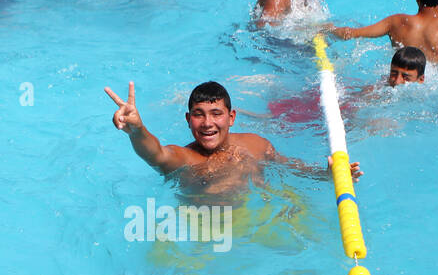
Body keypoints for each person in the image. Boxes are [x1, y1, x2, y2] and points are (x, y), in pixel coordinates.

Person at [106, 80, 361, 197]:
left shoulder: (256, 145)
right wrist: (137, 129)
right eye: (199, 115)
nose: (207, 123)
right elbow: (155, 153)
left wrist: (326, 175)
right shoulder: (184, 158)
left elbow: (289, 169)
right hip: (207, 234)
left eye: (216, 114)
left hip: (254, 225)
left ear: (231, 117)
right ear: (188, 119)